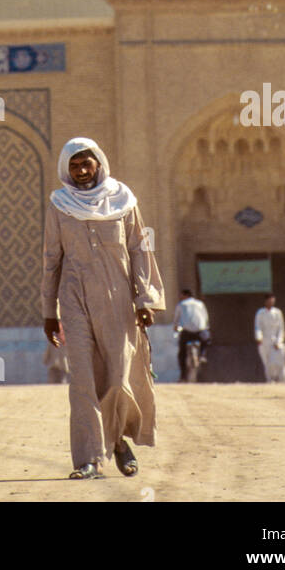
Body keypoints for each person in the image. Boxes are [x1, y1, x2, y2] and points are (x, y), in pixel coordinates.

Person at [42, 137, 165, 480]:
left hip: (118, 298)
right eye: (75, 165)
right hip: (74, 297)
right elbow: (51, 260)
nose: (81, 171)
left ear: (99, 164)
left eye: (87, 164)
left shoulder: (124, 202)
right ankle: (88, 459)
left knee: (117, 376)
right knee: (81, 378)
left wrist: (146, 299)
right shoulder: (59, 205)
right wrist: (48, 311)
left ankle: (119, 441)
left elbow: (141, 250)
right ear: (66, 169)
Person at [173, 287, 210, 380]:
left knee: (182, 353)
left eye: (181, 295)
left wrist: (175, 328)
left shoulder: (181, 304)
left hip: (187, 332)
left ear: (186, 295)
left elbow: (176, 319)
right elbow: (206, 318)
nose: (180, 297)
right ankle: (202, 355)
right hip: (200, 331)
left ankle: (183, 376)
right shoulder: (200, 304)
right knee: (206, 341)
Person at [254, 294, 285, 382]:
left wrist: (279, 341)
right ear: (266, 301)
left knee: (276, 361)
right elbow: (258, 326)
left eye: (273, 301)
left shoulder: (278, 312)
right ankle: (270, 380)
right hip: (264, 341)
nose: (271, 302)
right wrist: (259, 337)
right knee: (266, 362)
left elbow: (281, 328)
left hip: (275, 341)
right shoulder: (260, 312)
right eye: (270, 301)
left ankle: (279, 379)